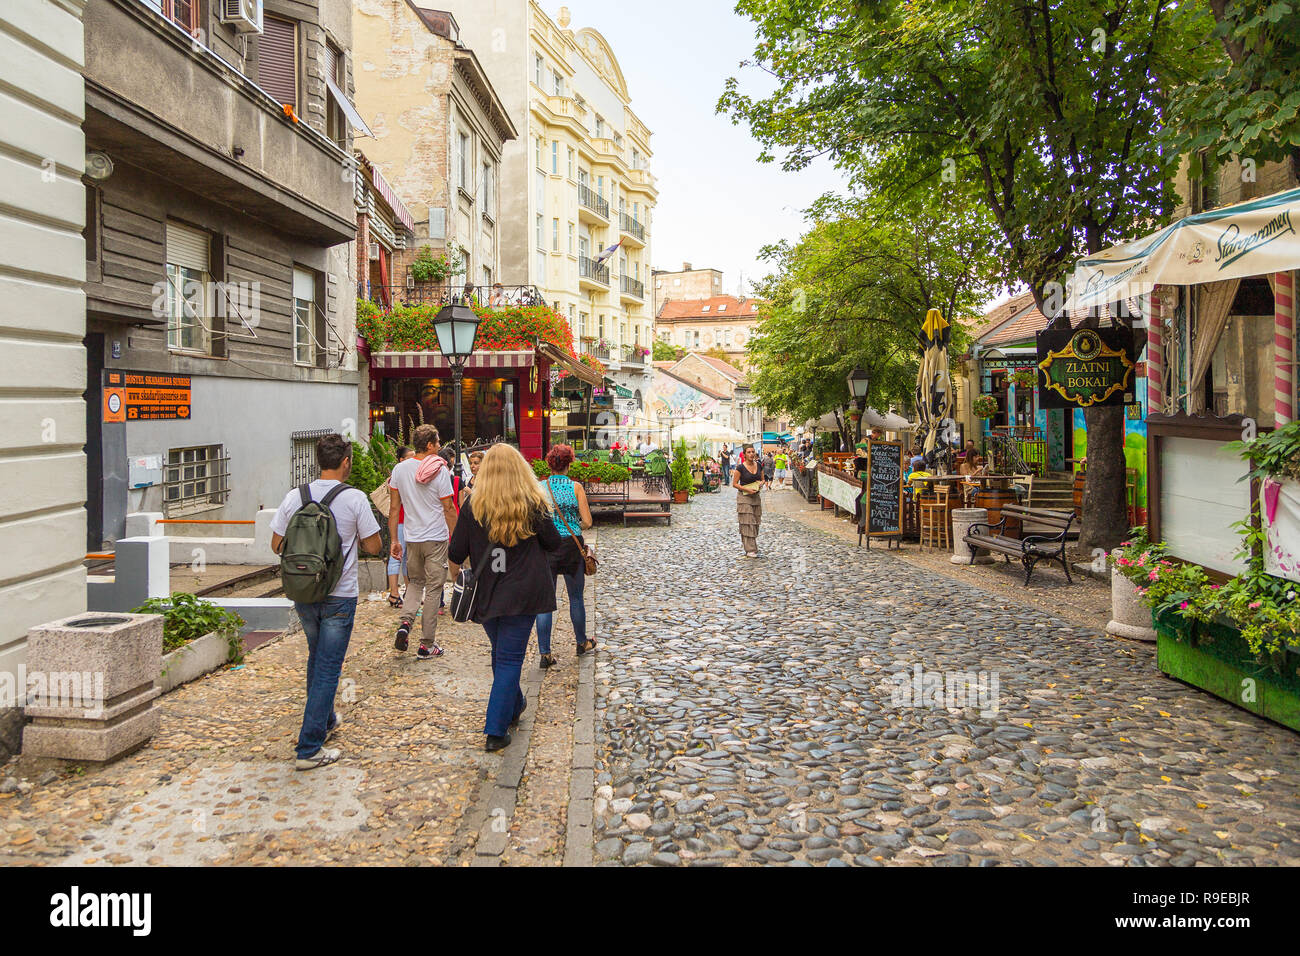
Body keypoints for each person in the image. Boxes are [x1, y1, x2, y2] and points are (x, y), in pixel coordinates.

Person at [270, 434, 382, 770]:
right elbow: (375, 546)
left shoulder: (296, 496)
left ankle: (325, 720)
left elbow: (276, 544)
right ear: (346, 461)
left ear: (319, 460)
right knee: (329, 668)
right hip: (339, 595)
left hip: (305, 594)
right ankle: (309, 748)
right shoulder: (355, 499)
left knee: (317, 659)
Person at [447, 444, 564, 751]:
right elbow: (553, 543)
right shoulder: (531, 504)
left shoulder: (473, 506)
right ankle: (495, 731)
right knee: (509, 658)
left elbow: (456, 552)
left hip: (487, 592)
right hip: (523, 592)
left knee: (501, 655)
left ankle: (515, 706)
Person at [389, 424, 458, 660]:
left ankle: (405, 623)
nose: (440, 447)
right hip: (436, 538)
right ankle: (427, 644)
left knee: (415, 583)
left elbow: (394, 507)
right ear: (429, 445)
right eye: (437, 443)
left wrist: (394, 540)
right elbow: (448, 507)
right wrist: (456, 536)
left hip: (412, 537)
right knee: (433, 589)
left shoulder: (399, 469)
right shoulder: (439, 470)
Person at [534, 444, 594, 668]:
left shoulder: (539, 487)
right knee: (576, 597)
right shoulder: (576, 487)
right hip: (571, 545)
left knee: (545, 602)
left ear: (549, 463)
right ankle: (581, 642)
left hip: (546, 545)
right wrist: (571, 523)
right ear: (569, 464)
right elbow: (587, 522)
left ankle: (545, 653)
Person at [385, 446, 415, 607]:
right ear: (401, 460)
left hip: (408, 520)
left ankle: (409, 591)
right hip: (401, 521)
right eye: (410, 457)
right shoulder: (398, 478)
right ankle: (394, 592)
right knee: (397, 556)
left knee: (406, 559)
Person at [732, 443, 764, 558]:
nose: (751, 454)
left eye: (752, 452)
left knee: (755, 522)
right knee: (747, 522)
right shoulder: (740, 468)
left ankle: (752, 545)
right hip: (744, 496)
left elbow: (763, 479)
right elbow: (734, 484)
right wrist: (746, 489)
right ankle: (750, 549)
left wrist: (761, 483)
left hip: (755, 496)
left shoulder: (759, 465)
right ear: (744, 454)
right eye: (749, 452)